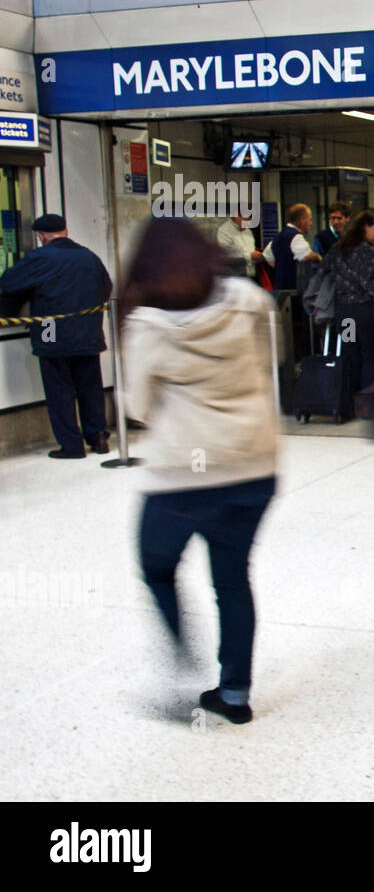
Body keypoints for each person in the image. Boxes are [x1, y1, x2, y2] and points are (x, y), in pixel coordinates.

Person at [121, 218, 278, 725]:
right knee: (232, 578)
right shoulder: (250, 300)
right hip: (254, 463)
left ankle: (186, 672)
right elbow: (266, 363)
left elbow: (138, 407)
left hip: (184, 477)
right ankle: (234, 693)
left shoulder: (146, 324)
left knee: (157, 566)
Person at [0, 214, 113, 458]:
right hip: (87, 332)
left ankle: (72, 446)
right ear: (66, 230)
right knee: (90, 387)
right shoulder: (89, 256)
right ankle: (99, 437)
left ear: (40, 236)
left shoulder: (41, 257)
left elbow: (8, 282)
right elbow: (106, 288)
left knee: (59, 387)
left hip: (52, 330)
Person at [325, 209, 374, 393]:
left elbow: (326, 270)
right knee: (367, 353)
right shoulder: (366, 250)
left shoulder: (339, 247)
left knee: (349, 352)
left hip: (344, 312)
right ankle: (366, 401)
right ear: (365, 227)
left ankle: (348, 398)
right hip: (362, 312)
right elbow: (367, 282)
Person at [263, 203, 322, 290]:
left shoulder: (279, 236)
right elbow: (305, 255)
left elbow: (268, 256)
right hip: (293, 289)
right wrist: (317, 257)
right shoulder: (295, 236)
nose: (311, 223)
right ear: (302, 220)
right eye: (310, 220)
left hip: (279, 288)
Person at [216, 212, 264, 279]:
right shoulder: (224, 231)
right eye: (246, 220)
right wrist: (250, 257)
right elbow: (225, 257)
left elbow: (251, 252)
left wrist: (259, 257)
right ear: (236, 216)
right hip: (234, 278)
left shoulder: (248, 232)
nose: (248, 223)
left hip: (251, 276)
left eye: (249, 221)